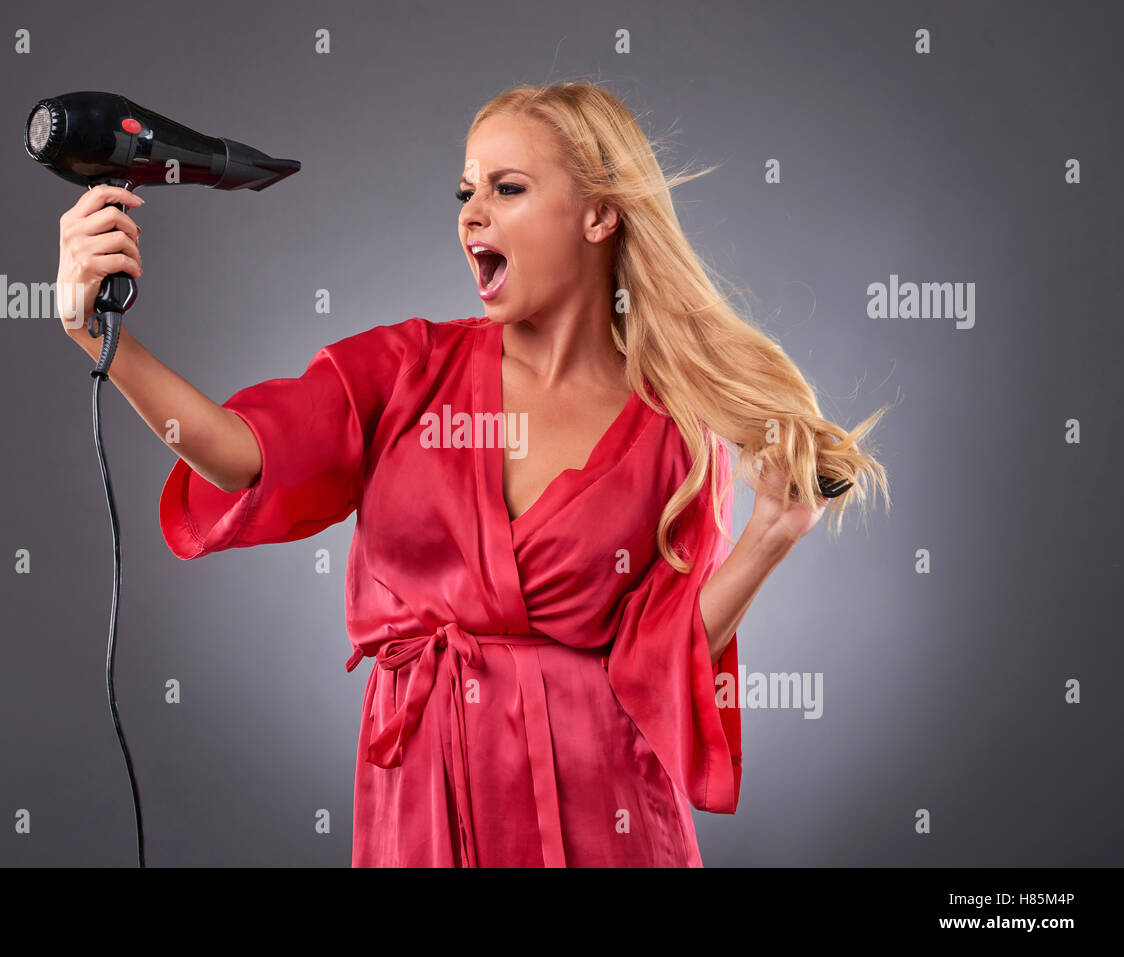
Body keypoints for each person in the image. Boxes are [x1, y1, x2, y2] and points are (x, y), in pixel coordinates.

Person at [54, 81, 890, 867]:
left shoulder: (672, 427)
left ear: (600, 214)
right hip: (419, 796)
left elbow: (656, 659)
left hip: (605, 808)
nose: (472, 215)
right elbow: (240, 455)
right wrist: (103, 339)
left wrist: (771, 534)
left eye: (508, 189)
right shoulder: (406, 369)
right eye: (466, 192)